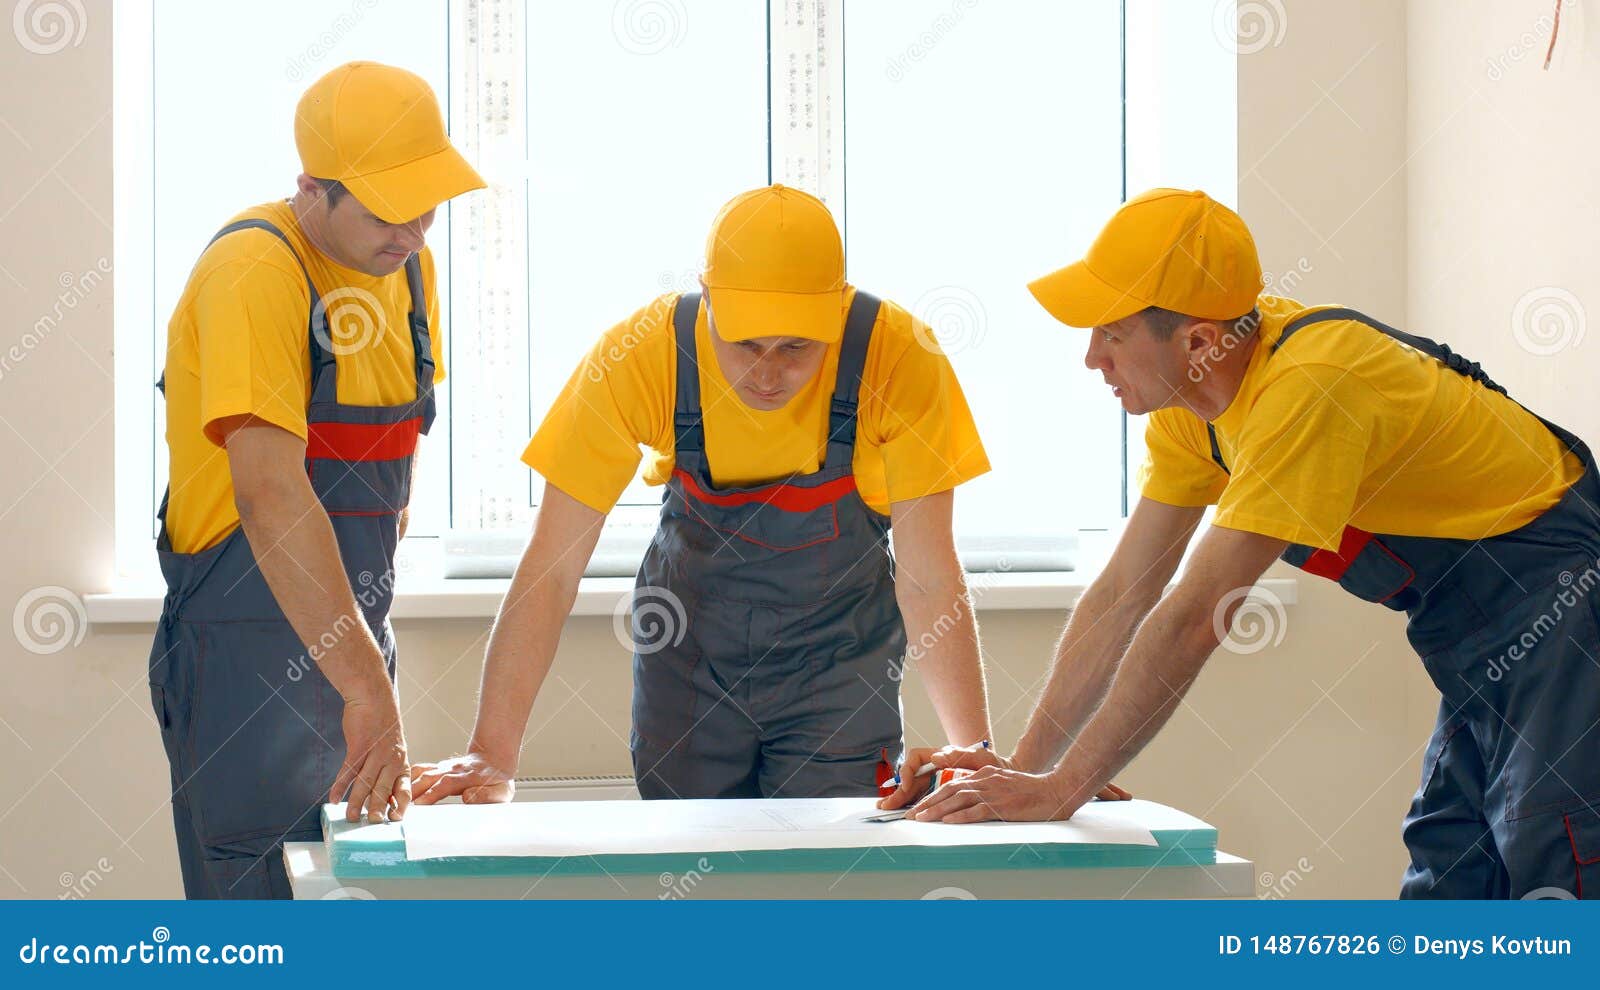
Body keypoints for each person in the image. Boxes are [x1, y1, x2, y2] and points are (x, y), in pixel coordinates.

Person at [884, 188, 1600, 900]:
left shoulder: (1311, 387)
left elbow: (1195, 616)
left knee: (1553, 859)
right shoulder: (1194, 407)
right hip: (1470, 630)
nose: (1091, 359)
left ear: (1196, 340)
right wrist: (1026, 771)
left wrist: (1065, 789)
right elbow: (1124, 593)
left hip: (1565, 600)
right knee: (1451, 867)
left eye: (1112, 334)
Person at [410, 184, 994, 803]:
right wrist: (490, 753)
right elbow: (552, 566)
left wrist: (976, 754)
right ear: (707, 297)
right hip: (688, 674)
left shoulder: (899, 355)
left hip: (841, 672)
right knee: (693, 878)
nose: (769, 374)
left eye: (798, 347)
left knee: (828, 877)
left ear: (839, 308)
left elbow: (930, 575)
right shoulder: (642, 354)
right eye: (745, 345)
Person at [148, 61, 484, 898]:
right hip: (245, 660)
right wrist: (366, 687)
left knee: (351, 909)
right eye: (384, 213)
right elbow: (268, 495)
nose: (410, 234)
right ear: (311, 189)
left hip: (352, 647)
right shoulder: (257, 272)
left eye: (426, 209)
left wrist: (366, 670)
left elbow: (392, 476)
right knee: (264, 913)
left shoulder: (405, 274)